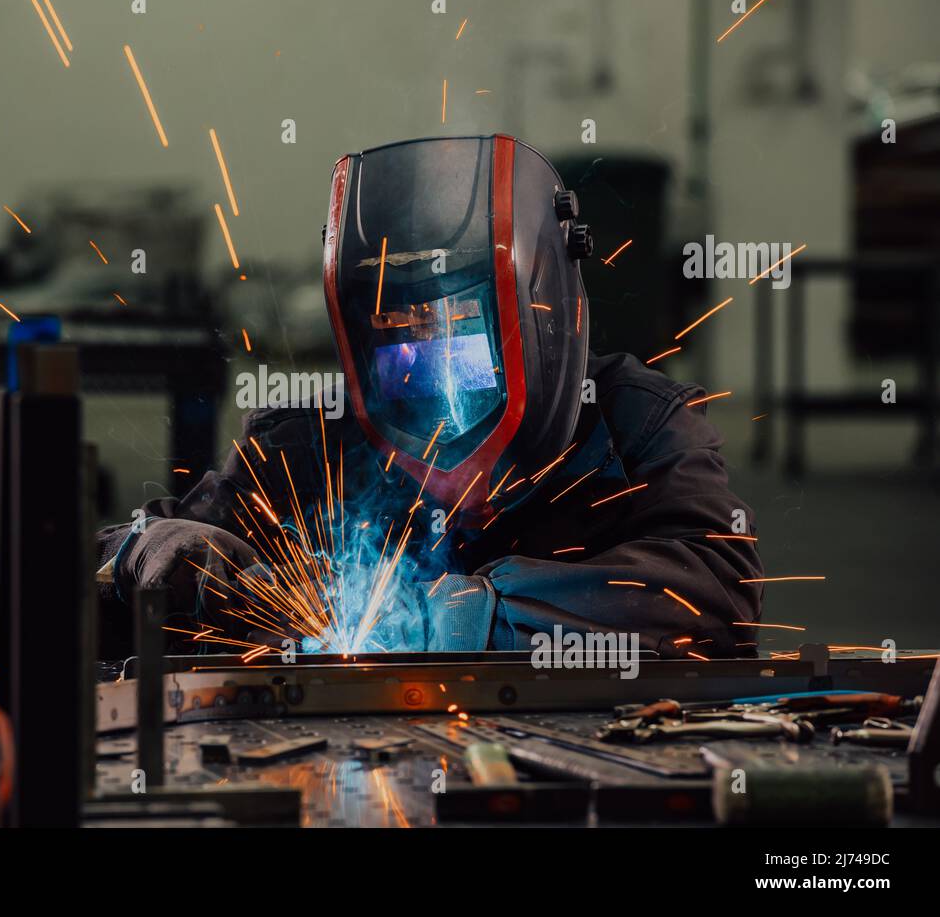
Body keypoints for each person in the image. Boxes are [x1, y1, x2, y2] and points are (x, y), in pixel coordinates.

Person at [97, 134, 763, 659]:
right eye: (402, 348)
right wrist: (142, 553)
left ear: (540, 320)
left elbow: (716, 593)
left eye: (464, 343)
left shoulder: (641, 426)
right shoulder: (314, 440)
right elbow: (100, 576)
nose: (437, 384)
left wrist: (472, 615)